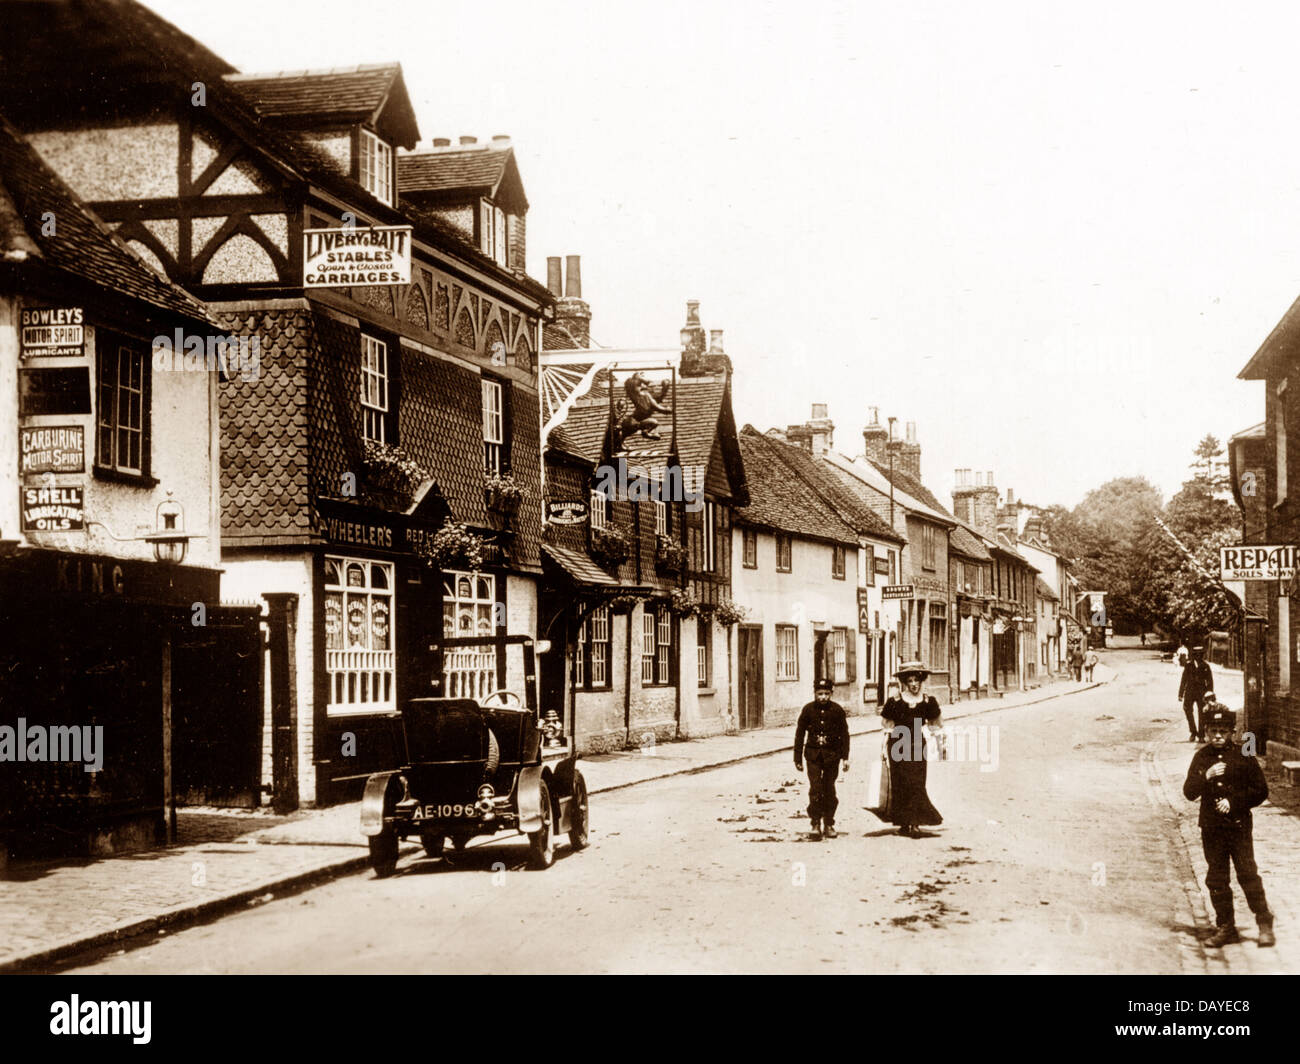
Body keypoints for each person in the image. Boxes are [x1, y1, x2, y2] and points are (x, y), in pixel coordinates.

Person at [1182, 705, 1275, 949]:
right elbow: (1189, 792)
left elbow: (1260, 790)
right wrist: (1206, 776)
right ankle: (1226, 926)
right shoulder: (1201, 758)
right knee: (1217, 878)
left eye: (1223, 731)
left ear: (1232, 732)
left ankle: (1264, 922)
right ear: (1206, 732)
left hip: (1238, 827)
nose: (1218, 736)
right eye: (1213, 731)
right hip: (1212, 829)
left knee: (1247, 874)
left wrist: (1234, 802)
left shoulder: (1244, 754)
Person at [877, 661, 943, 837]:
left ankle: (915, 822)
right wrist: (883, 748)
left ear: (921, 682)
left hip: (917, 744)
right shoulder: (895, 701)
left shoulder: (928, 701)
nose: (914, 684)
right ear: (905, 683)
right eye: (910, 681)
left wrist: (941, 744)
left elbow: (935, 724)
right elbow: (888, 727)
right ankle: (904, 823)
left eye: (917, 681)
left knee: (916, 782)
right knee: (900, 783)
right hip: (897, 744)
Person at [794, 677, 849, 840]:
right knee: (816, 788)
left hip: (832, 756)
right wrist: (797, 758)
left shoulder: (837, 710)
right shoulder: (808, 710)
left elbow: (844, 735)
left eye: (826, 693)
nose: (823, 697)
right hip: (813, 755)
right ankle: (815, 823)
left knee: (829, 788)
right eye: (819, 693)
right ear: (815, 693)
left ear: (831, 693)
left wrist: (845, 757)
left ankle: (829, 823)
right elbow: (800, 734)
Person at [1178, 645, 1215, 742]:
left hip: (1201, 693)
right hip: (1189, 692)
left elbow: (1210, 681)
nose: (1198, 657)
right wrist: (1180, 694)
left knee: (1202, 713)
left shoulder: (1206, 666)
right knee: (1187, 709)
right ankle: (1193, 732)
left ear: (1202, 655)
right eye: (1196, 655)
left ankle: (1201, 735)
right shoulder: (1188, 666)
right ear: (1193, 656)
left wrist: (1210, 694)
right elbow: (1184, 680)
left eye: (1200, 655)